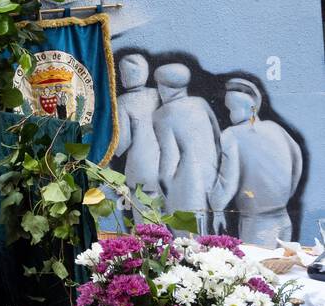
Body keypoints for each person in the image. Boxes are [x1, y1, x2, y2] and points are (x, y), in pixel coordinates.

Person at [209, 77, 303, 246]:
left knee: (258, 270)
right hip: (283, 217)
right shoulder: (277, 129)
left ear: (236, 109)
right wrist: (282, 196)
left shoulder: (231, 135)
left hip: (256, 223)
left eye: (229, 109)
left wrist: (216, 208)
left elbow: (227, 181)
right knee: (280, 268)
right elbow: (297, 164)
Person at [151, 63, 221, 234]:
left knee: (186, 247)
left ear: (162, 86)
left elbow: (169, 162)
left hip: (185, 189)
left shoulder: (162, 114)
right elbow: (218, 142)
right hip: (210, 183)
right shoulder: (201, 103)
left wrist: (167, 195)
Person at [113, 53, 161, 210]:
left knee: (146, 224)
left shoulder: (123, 102)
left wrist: (110, 154)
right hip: (164, 167)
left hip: (140, 169)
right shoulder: (157, 94)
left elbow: (123, 141)